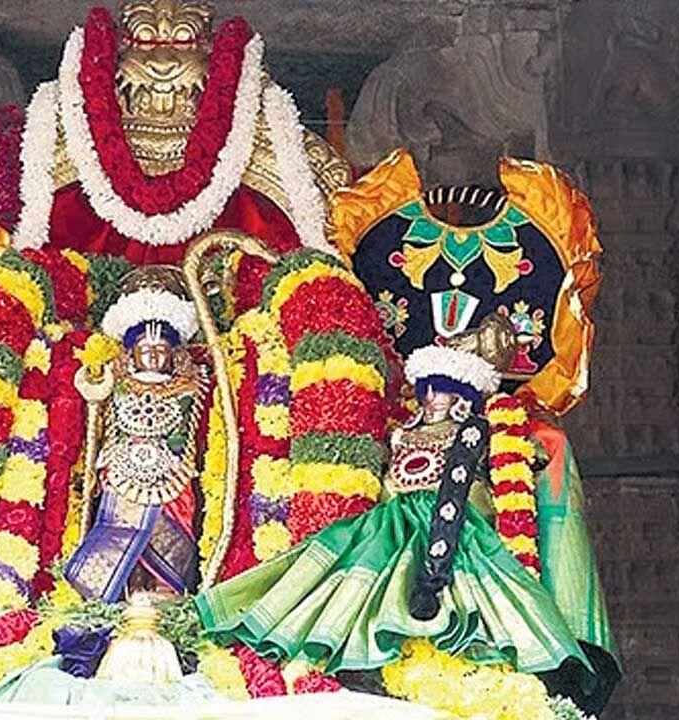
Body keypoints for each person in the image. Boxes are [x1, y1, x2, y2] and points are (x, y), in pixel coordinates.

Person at [196, 315, 614, 703]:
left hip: (458, 534)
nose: (431, 399)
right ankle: (361, 664)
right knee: (344, 588)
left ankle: (466, 675)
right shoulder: (398, 436)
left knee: (473, 616)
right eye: (426, 389)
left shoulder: (481, 435)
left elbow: (531, 459)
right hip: (388, 532)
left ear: (464, 400)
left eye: (443, 391)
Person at [64, 265, 208, 602]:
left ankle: (166, 589)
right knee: (120, 528)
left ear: (175, 354)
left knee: (175, 518)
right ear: (132, 353)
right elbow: (97, 416)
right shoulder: (115, 381)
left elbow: (195, 435)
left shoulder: (193, 383)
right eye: (146, 350)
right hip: (123, 472)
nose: (154, 356)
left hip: (173, 474)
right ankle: (127, 585)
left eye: (162, 351)